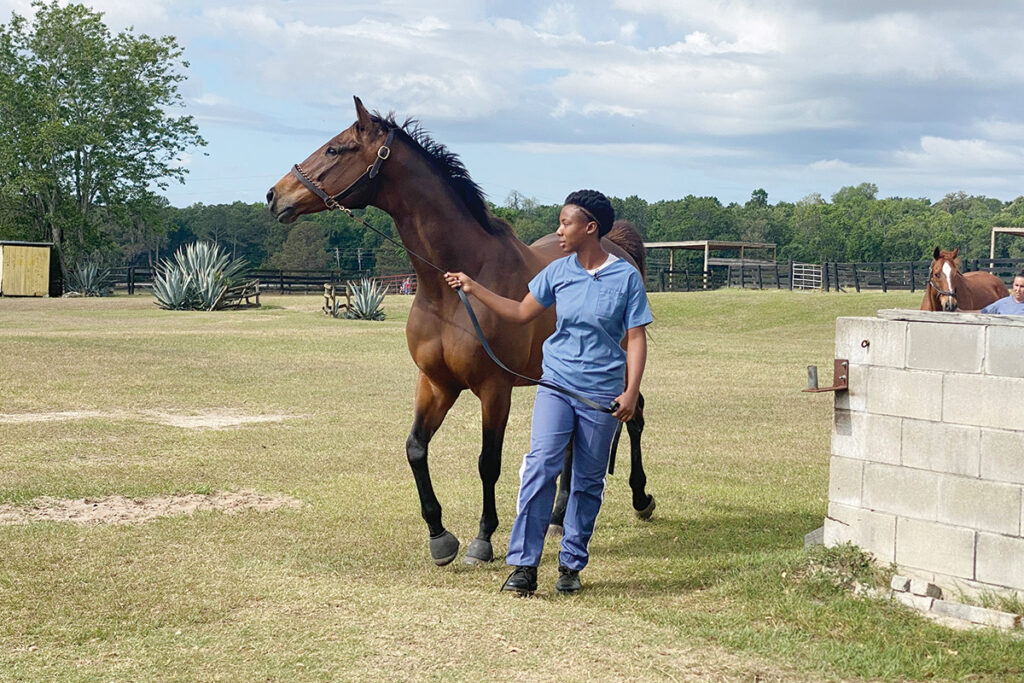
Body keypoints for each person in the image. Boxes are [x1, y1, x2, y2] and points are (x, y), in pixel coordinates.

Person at [444, 189, 652, 595]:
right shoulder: (557, 273)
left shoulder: (625, 278)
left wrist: (631, 392)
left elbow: (636, 337)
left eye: (566, 223)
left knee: (588, 481)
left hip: (601, 392)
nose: (558, 231)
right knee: (541, 466)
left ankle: (571, 566)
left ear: (590, 228)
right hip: (556, 383)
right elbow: (521, 312)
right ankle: (523, 566)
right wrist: (473, 288)